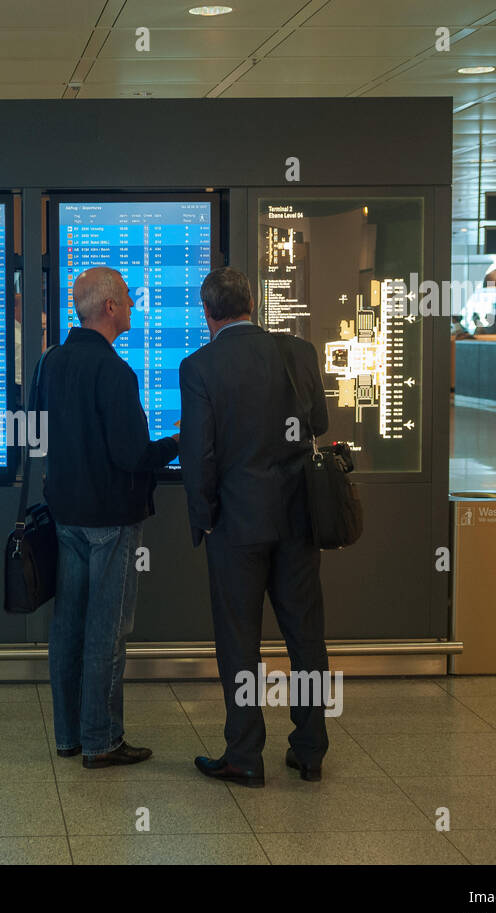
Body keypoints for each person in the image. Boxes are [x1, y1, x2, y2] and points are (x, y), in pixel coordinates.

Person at [178, 266, 331, 787]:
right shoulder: (299, 353)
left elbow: (198, 456)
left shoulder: (199, 366)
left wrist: (204, 521)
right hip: (297, 520)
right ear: (252, 304)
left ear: (208, 312)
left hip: (237, 526)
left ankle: (245, 754)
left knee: (240, 644)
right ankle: (310, 749)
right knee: (306, 637)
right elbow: (320, 425)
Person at [41, 266, 179, 769]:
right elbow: (132, 454)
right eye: (126, 298)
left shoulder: (51, 362)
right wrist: (179, 442)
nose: (132, 305)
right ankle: (101, 740)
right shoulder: (115, 373)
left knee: (68, 627)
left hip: (65, 515)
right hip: (110, 521)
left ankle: (68, 736)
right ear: (109, 308)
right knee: (107, 630)